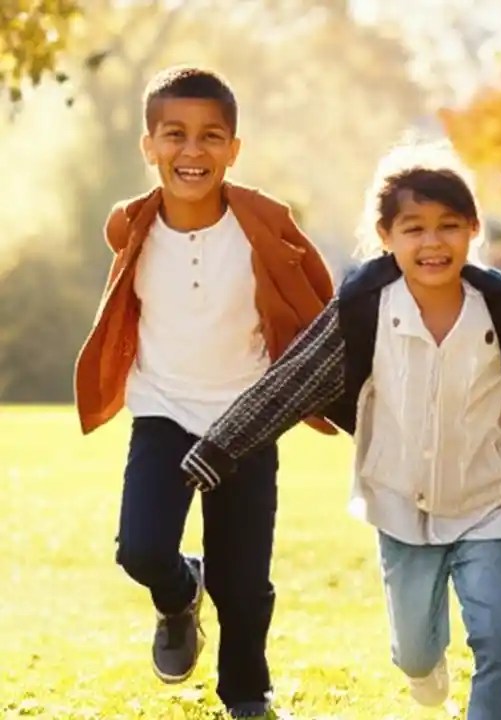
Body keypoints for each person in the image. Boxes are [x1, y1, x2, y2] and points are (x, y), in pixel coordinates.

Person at [179, 142, 501, 720]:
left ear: (473, 229)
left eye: (450, 226)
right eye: (414, 228)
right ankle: (425, 671)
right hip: (399, 501)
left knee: (496, 637)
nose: (433, 243)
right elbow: (292, 381)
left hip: (489, 498)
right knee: (415, 654)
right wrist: (220, 446)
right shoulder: (365, 307)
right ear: (386, 236)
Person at [73, 65, 335, 719]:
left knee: (243, 579)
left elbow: (314, 301)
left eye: (210, 136)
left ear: (234, 149)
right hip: (163, 410)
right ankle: (177, 591)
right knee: (141, 548)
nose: (192, 152)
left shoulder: (263, 226)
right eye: (174, 135)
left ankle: (246, 693)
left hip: (247, 416)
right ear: (149, 145)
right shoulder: (133, 227)